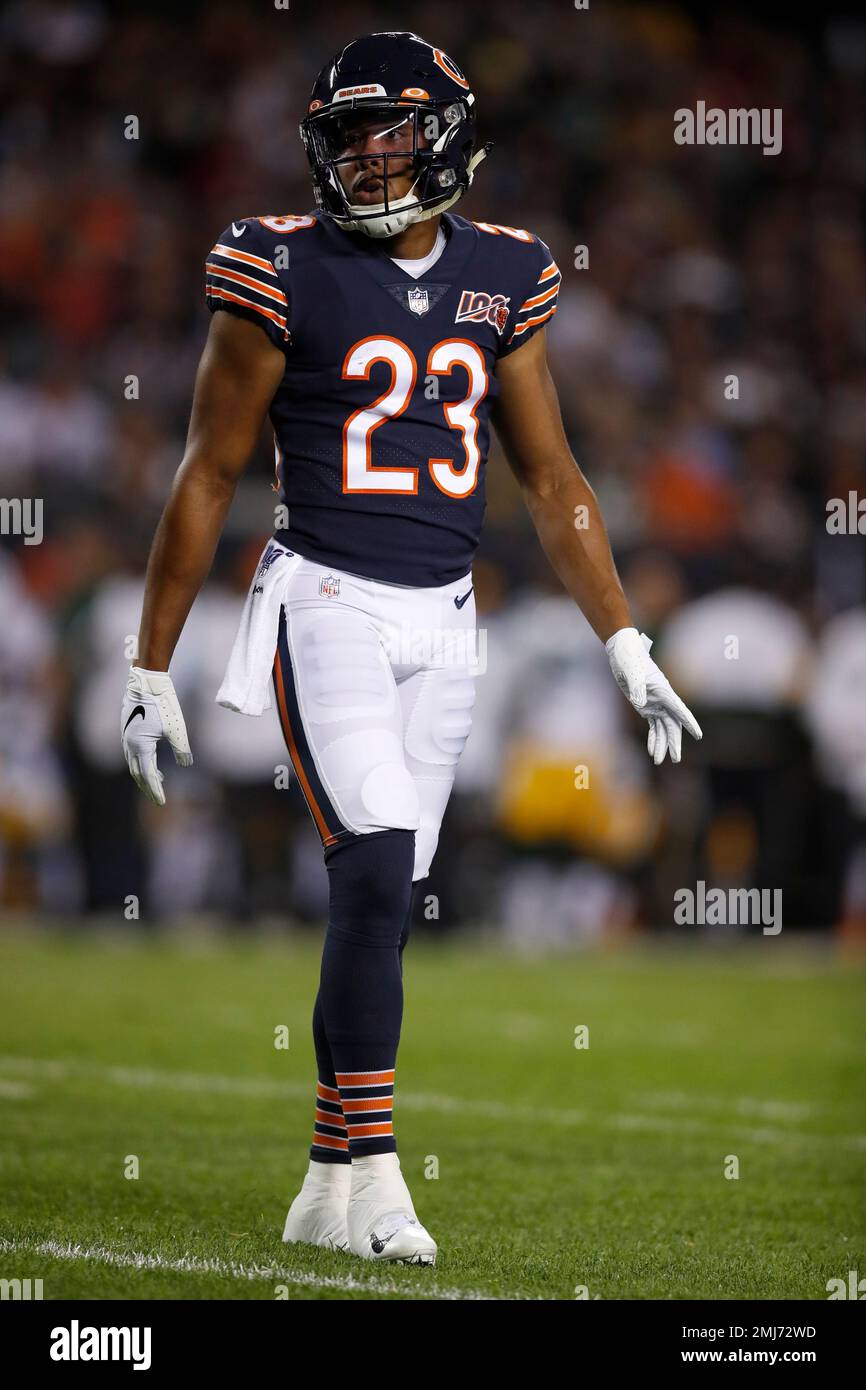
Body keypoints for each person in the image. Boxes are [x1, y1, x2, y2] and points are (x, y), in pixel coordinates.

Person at [120, 31, 701, 1267]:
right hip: (321, 598)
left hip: (445, 624)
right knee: (377, 862)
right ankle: (382, 1178)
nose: (366, 161)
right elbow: (208, 470)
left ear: (446, 139)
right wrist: (147, 660)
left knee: (378, 908)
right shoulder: (278, 265)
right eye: (347, 140)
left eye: (389, 135)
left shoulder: (507, 272)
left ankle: (325, 1182)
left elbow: (551, 477)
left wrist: (624, 640)